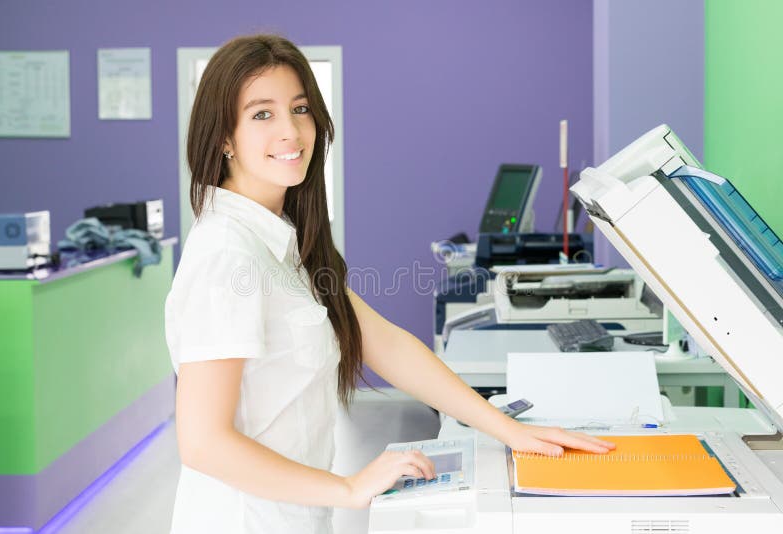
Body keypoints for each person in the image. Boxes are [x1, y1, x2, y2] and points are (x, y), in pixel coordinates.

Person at [165, 34, 615, 534]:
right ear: (224, 136)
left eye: (300, 108)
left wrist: (509, 429)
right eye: (262, 114)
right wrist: (350, 488)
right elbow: (203, 442)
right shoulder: (226, 254)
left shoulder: (282, 240)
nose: (292, 132)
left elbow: (386, 345)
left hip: (292, 513)